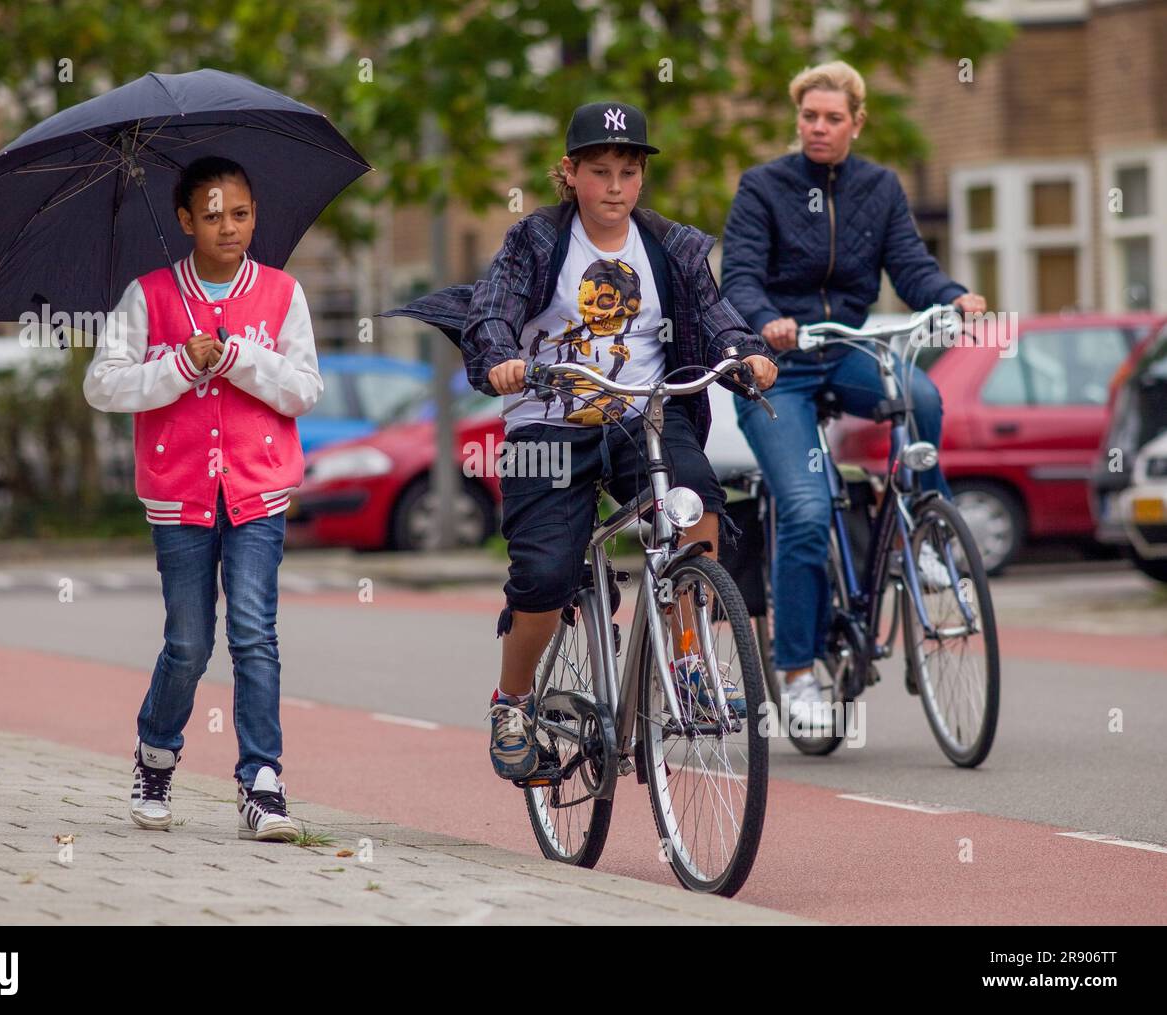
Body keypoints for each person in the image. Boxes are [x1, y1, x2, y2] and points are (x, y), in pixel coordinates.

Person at [385, 102, 777, 780]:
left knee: (695, 503)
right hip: (547, 426)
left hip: (643, 419)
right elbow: (493, 314)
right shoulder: (536, 241)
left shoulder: (671, 246)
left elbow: (718, 319)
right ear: (569, 173)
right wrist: (502, 354)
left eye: (629, 171)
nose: (617, 186)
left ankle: (686, 660)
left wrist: (745, 353)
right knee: (542, 576)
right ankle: (511, 703)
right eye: (600, 172)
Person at [720, 61, 987, 728]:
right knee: (807, 509)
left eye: (832, 117)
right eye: (809, 116)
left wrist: (952, 297)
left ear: (855, 123)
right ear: (798, 119)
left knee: (920, 397)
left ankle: (926, 538)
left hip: (846, 351)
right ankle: (799, 672)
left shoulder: (878, 187)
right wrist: (766, 322)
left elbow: (911, 267)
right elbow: (741, 277)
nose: (818, 127)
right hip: (777, 365)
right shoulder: (763, 187)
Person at [82, 155, 323, 839]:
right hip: (178, 495)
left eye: (241, 213)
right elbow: (103, 385)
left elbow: (305, 388)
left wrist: (239, 359)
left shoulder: (281, 294)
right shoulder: (150, 295)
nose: (229, 227)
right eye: (212, 214)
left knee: (254, 632)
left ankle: (262, 781)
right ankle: (156, 754)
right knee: (188, 640)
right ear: (185, 219)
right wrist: (181, 364)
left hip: (258, 491)